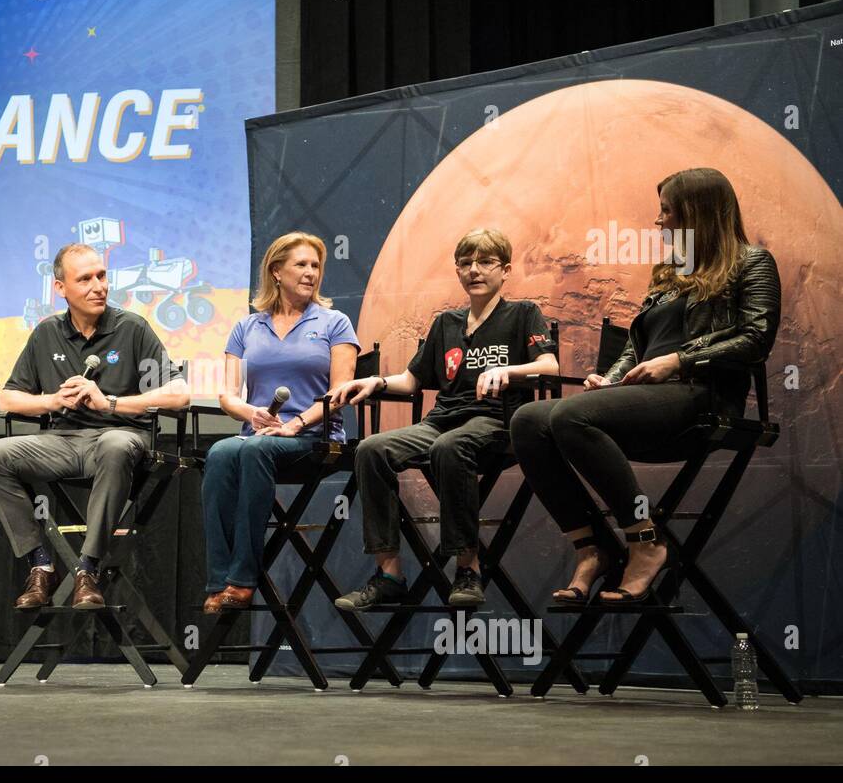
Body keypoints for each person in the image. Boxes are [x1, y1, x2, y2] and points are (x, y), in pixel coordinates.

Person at [510, 168, 780, 604]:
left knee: (569, 414)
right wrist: (610, 380)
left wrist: (679, 360)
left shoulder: (752, 262)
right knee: (527, 421)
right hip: (651, 398)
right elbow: (639, 346)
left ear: (697, 213)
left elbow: (756, 338)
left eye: (667, 210)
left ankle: (646, 540)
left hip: (703, 397)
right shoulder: (670, 273)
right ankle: (592, 548)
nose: (659, 221)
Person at [330, 229, 559, 609]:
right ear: (457, 271)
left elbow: (548, 365)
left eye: (485, 262)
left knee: (449, 447)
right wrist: (374, 380)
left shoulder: (522, 314)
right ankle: (389, 574)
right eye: (466, 263)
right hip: (441, 420)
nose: (474, 270)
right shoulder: (446, 323)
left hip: (495, 422)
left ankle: (467, 568)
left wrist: (510, 371)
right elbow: (411, 381)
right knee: (372, 449)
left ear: (505, 270)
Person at [0, 243, 190, 610]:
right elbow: (8, 399)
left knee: (116, 445)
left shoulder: (132, 328)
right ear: (61, 289)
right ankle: (41, 564)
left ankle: (87, 570)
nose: (98, 286)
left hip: (119, 439)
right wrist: (52, 401)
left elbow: (179, 394)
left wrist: (111, 403)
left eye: (102, 276)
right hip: (62, 441)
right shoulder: (46, 334)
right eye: (85, 279)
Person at [200, 232, 360, 613]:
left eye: (316, 266)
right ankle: (218, 579)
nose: (310, 273)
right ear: (276, 271)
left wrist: (294, 424)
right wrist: (250, 413)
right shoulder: (246, 328)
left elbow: (340, 392)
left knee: (255, 450)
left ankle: (241, 579)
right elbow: (227, 395)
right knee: (221, 453)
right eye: (301, 265)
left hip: (315, 441)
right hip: (259, 434)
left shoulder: (334, 322)